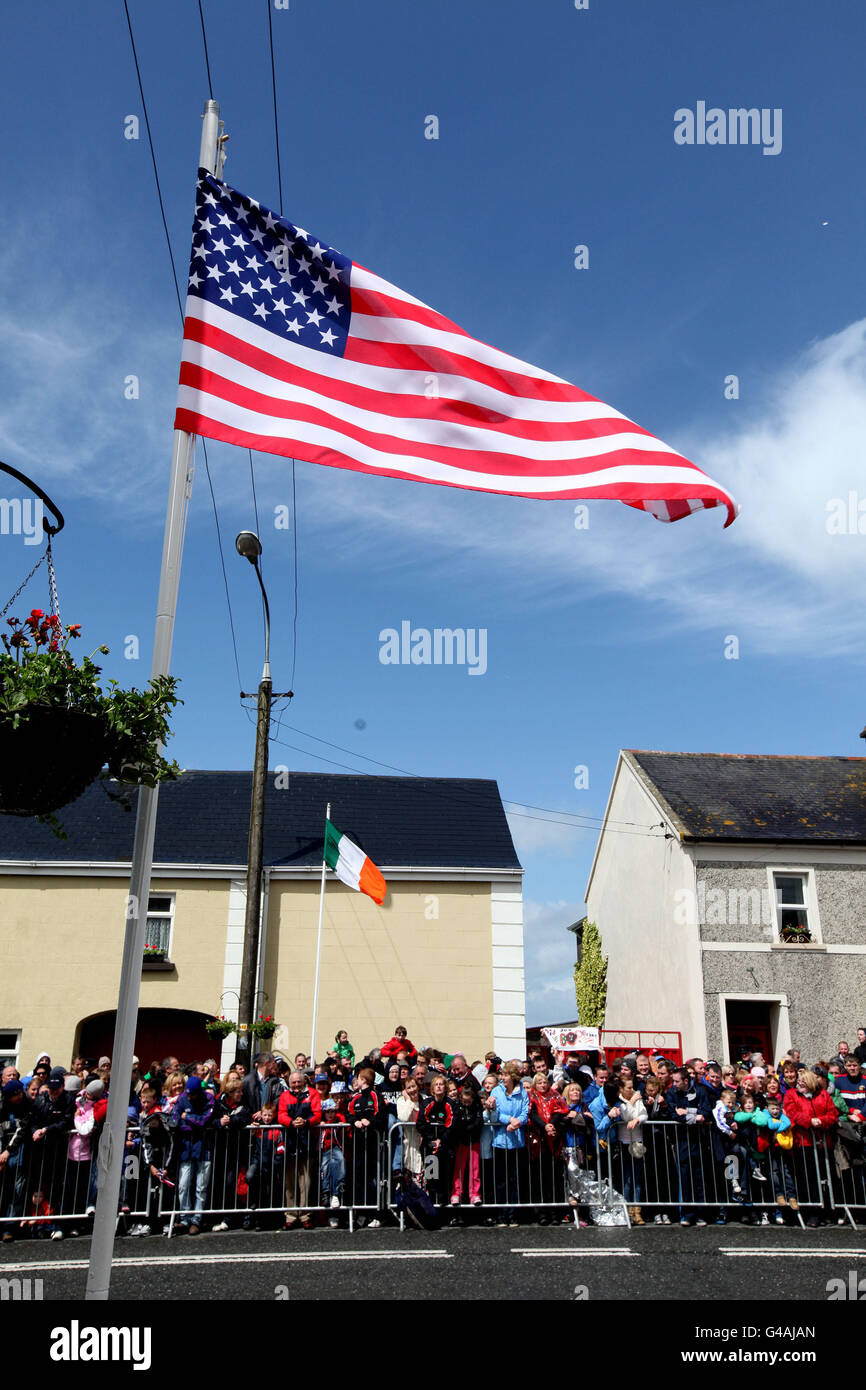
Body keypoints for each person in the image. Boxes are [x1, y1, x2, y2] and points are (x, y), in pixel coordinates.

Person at [782, 1069, 837, 1227]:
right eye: (799, 1081)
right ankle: (811, 1212)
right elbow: (792, 1113)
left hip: (822, 1143)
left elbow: (832, 1114)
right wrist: (809, 1121)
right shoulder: (792, 1094)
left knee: (827, 1178)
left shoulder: (823, 1095)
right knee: (808, 1178)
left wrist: (821, 1120)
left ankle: (828, 1211)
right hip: (803, 1143)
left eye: (803, 1081)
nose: (800, 1083)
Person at [170, 1075, 216, 1235]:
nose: (189, 1097)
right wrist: (192, 1123)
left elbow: (204, 1121)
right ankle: (184, 1218)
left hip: (203, 1148)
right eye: (188, 1094)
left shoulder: (208, 1098)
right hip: (186, 1148)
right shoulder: (182, 1099)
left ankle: (197, 1219)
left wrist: (188, 1117)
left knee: (200, 1187)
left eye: (192, 1094)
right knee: (183, 1185)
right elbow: (175, 1121)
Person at [278, 1071, 322, 1230]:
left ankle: (305, 1215)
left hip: (307, 1141)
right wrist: (291, 1122)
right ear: (289, 1083)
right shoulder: (284, 1096)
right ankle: (290, 1215)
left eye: (299, 1082)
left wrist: (306, 1122)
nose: (296, 1085)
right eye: (293, 1082)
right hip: (290, 1141)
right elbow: (281, 1114)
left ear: (304, 1081)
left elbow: (317, 1114)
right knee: (290, 1181)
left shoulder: (313, 1093)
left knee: (306, 1181)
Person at [665, 1068, 708, 1227]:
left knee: (699, 1177)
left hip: (698, 1139)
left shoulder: (700, 1091)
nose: (674, 1084)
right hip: (682, 1139)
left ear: (685, 1080)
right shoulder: (671, 1092)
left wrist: (688, 1113)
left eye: (677, 1081)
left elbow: (706, 1112)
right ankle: (688, 1214)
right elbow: (674, 1114)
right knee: (685, 1178)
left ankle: (701, 1214)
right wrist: (694, 1117)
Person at [210, 1077, 252, 1232]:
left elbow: (245, 1117)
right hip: (220, 1151)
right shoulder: (218, 1104)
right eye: (237, 1092)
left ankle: (232, 1216)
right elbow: (210, 1121)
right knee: (220, 1184)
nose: (240, 1094)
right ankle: (220, 1216)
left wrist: (231, 1120)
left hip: (236, 1151)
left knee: (232, 1183)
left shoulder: (243, 1105)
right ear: (230, 1093)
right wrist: (219, 1122)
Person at [347, 1068, 387, 1227]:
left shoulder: (375, 1095)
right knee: (359, 1178)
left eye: (358, 1078)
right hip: (358, 1143)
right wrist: (354, 1121)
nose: (356, 1081)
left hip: (373, 1142)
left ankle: (376, 1212)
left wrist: (370, 1122)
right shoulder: (354, 1097)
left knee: (373, 1178)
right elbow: (349, 1113)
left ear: (363, 1079)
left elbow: (380, 1114)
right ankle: (360, 1213)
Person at [491, 1062, 529, 1226]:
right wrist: (509, 1119)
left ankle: (512, 1214)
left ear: (513, 1077)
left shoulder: (523, 1092)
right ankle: (501, 1214)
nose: (503, 1078)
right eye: (502, 1075)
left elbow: (525, 1112)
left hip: (517, 1141)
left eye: (506, 1075)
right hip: (500, 1141)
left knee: (514, 1180)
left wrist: (518, 1122)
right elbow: (495, 1113)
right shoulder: (496, 1091)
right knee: (501, 1180)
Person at [528, 1072, 567, 1224]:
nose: (543, 1085)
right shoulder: (532, 1096)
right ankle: (541, 1213)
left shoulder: (554, 1095)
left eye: (544, 1082)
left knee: (554, 1178)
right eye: (539, 1083)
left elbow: (559, 1111)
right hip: (538, 1139)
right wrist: (544, 1126)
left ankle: (555, 1213)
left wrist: (551, 1124)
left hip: (554, 1138)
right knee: (539, 1178)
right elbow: (532, 1115)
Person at [447, 1084, 484, 1220]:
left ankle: (475, 1194)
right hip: (461, 1140)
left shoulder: (477, 1106)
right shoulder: (457, 1106)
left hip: (473, 1139)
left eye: (469, 1101)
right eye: (464, 1101)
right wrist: (463, 1130)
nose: (467, 1104)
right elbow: (456, 1121)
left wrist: (471, 1128)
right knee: (459, 1169)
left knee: (475, 1169)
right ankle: (456, 1193)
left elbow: (479, 1121)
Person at [616, 1070, 648, 1225]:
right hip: (624, 1142)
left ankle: (637, 1211)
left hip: (637, 1141)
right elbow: (625, 1116)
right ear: (622, 1089)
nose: (632, 1090)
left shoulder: (637, 1097)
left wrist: (637, 1120)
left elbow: (644, 1114)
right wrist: (632, 1102)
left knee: (638, 1178)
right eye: (628, 1088)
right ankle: (627, 1210)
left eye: (632, 1087)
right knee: (628, 1178)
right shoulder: (621, 1100)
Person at [319, 1098, 348, 1224]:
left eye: (332, 1112)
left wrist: (341, 1126)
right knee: (325, 1167)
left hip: (336, 1148)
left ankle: (338, 1188)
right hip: (325, 1150)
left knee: (340, 1160)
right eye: (327, 1112)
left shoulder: (338, 1121)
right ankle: (326, 1192)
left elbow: (344, 1133)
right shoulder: (322, 1124)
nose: (330, 1114)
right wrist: (322, 1126)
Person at [242, 1052, 285, 1120]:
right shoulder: (247, 1081)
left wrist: (264, 1112)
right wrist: (250, 1116)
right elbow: (242, 1103)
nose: (275, 1066)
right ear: (266, 1064)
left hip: (269, 1124)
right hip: (251, 1122)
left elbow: (278, 1100)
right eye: (273, 1063)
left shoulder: (276, 1082)